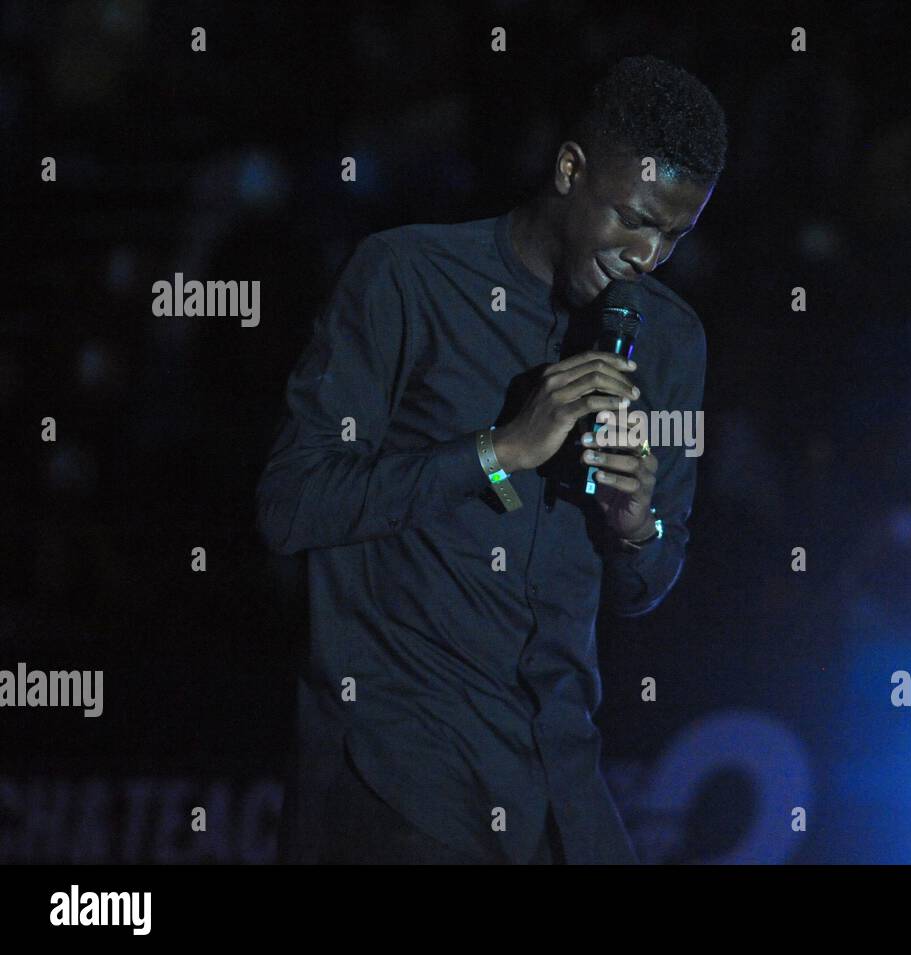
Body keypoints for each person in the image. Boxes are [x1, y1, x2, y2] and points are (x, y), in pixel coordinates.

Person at [255, 55, 727, 864]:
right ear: (571, 168)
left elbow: (645, 585)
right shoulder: (406, 277)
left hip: (560, 777)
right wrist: (499, 451)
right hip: (398, 769)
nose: (646, 253)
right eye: (631, 217)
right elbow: (291, 502)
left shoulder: (675, 342)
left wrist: (634, 524)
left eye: (674, 235)